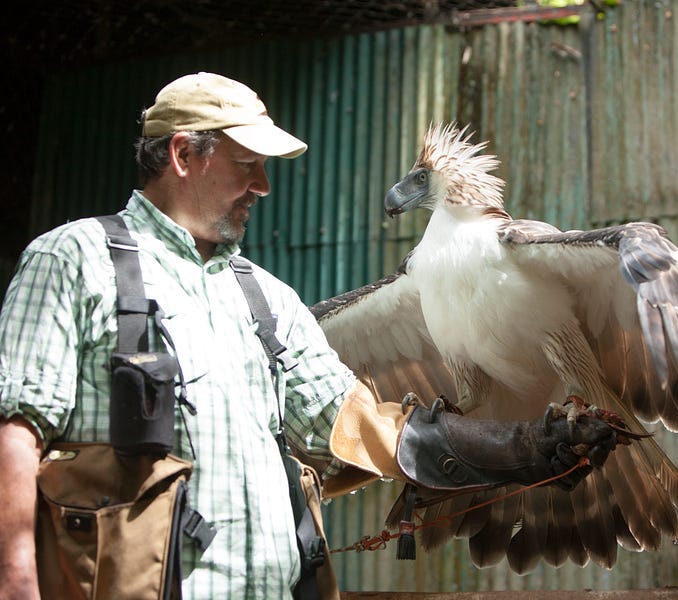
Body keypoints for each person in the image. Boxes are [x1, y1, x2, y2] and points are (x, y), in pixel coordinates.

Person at [0, 72, 616, 599]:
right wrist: (15, 581)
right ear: (185, 157)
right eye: (248, 166)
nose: (263, 187)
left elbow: (353, 427)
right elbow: (15, 430)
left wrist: (515, 450)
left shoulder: (266, 298)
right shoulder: (74, 260)